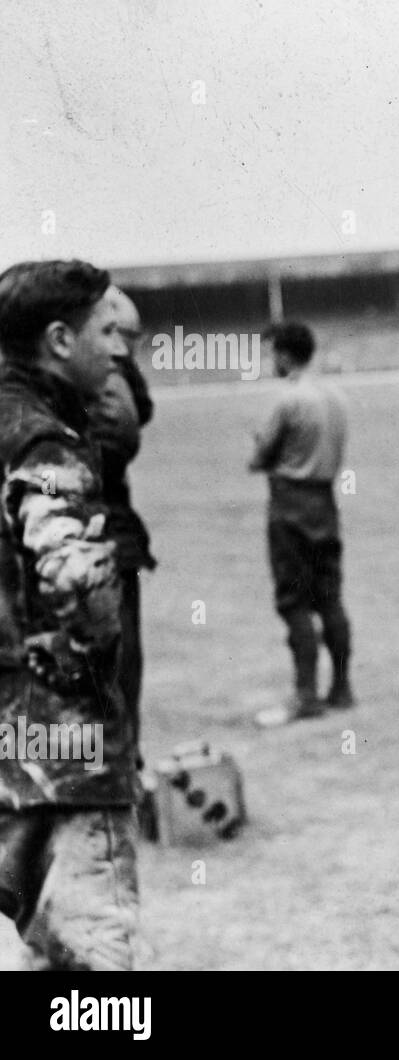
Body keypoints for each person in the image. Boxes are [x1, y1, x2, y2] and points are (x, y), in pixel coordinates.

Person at [0, 259, 140, 970]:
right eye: (107, 330)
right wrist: (95, 660)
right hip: (61, 738)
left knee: (31, 938)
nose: (119, 349)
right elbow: (79, 581)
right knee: (90, 957)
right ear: (59, 339)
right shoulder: (45, 441)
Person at [248, 321, 353, 727]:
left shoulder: (287, 400)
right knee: (330, 597)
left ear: (285, 354)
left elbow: (261, 458)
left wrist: (260, 449)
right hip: (325, 503)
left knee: (293, 601)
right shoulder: (336, 397)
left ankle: (305, 694)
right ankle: (341, 688)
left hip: (290, 504)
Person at [88, 287, 156, 751]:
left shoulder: (103, 382)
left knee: (114, 675)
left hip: (103, 536)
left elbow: (122, 429)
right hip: (105, 537)